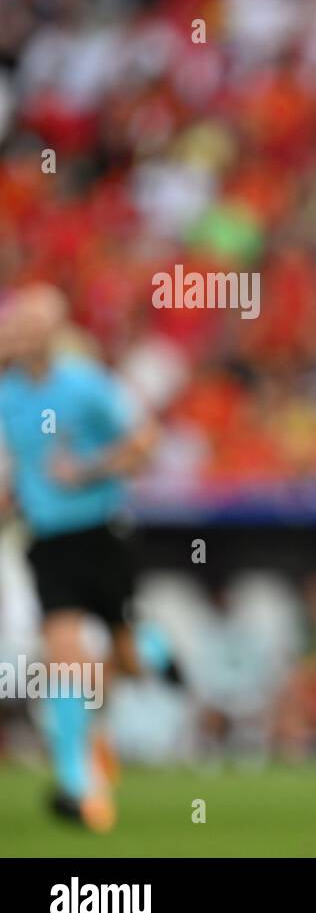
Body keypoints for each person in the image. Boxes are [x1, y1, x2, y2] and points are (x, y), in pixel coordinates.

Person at [0, 283, 159, 831]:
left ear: (54, 332)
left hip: (103, 533)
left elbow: (144, 441)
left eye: (29, 326)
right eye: (14, 324)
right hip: (49, 541)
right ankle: (77, 783)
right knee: (63, 651)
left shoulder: (87, 387)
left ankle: (148, 661)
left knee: (126, 657)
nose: (17, 335)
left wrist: (88, 471)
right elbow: (18, 464)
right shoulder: (7, 394)